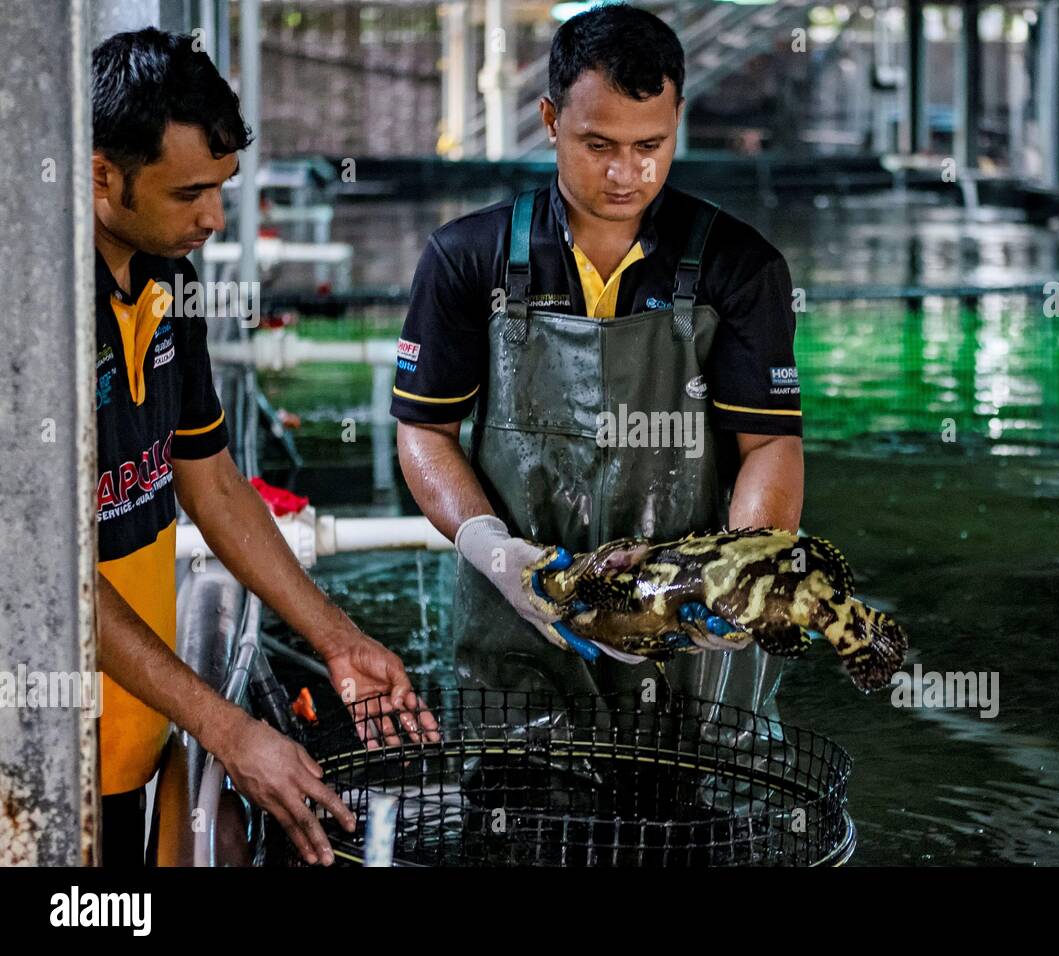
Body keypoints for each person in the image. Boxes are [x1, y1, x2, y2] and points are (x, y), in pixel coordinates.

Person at [393, 3, 804, 738]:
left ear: (679, 116)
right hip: (518, 630)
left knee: (694, 833)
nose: (627, 172)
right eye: (598, 144)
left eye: (652, 143)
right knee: (518, 826)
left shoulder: (741, 268)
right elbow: (425, 429)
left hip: (685, 635)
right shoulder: (465, 257)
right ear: (550, 119)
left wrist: (743, 572)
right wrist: (498, 554)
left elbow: (769, 443)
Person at [91, 29, 437, 867]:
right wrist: (229, 729)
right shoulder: (37, 308)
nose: (214, 218)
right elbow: (38, 579)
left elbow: (209, 480)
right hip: (36, 742)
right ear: (100, 173)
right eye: (190, 193)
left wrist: (339, 641)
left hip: (129, 733)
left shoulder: (169, 279)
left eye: (222, 188)